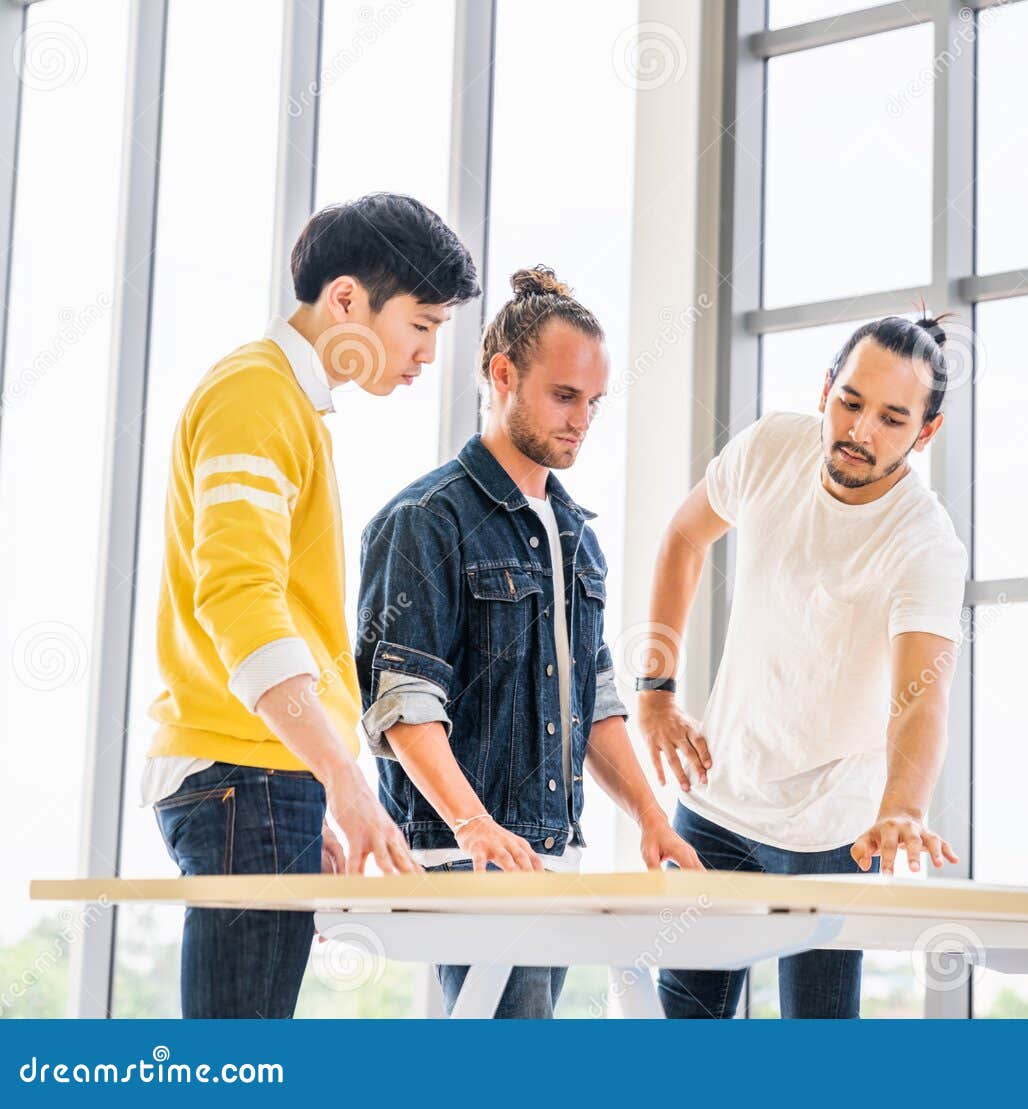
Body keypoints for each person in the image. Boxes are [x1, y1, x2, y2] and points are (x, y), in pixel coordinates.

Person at [145, 193, 480, 1018]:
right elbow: (240, 598)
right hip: (244, 772)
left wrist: (306, 781)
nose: (428, 353)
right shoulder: (255, 398)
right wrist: (339, 777)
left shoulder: (283, 403)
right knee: (240, 1068)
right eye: (422, 324)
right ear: (346, 299)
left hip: (259, 775)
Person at [356, 266, 703, 1019]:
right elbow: (404, 706)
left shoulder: (576, 534)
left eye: (594, 402)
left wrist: (650, 815)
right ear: (503, 375)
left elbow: (593, 701)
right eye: (565, 396)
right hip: (465, 856)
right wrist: (474, 825)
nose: (582, 420)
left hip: (552, 854)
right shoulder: (425, 520)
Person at [638, 314, 970, 1018]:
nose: (860, 431)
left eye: (892, 419)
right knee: (681, 1033)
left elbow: (922, 697)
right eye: (850, 402)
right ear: (826, 389)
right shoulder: (772, 447)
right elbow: (684, 536)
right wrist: (656, 692)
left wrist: (903, 809)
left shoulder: (924, 543)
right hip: (716, 802)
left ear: (926, 432)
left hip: (831, 832)